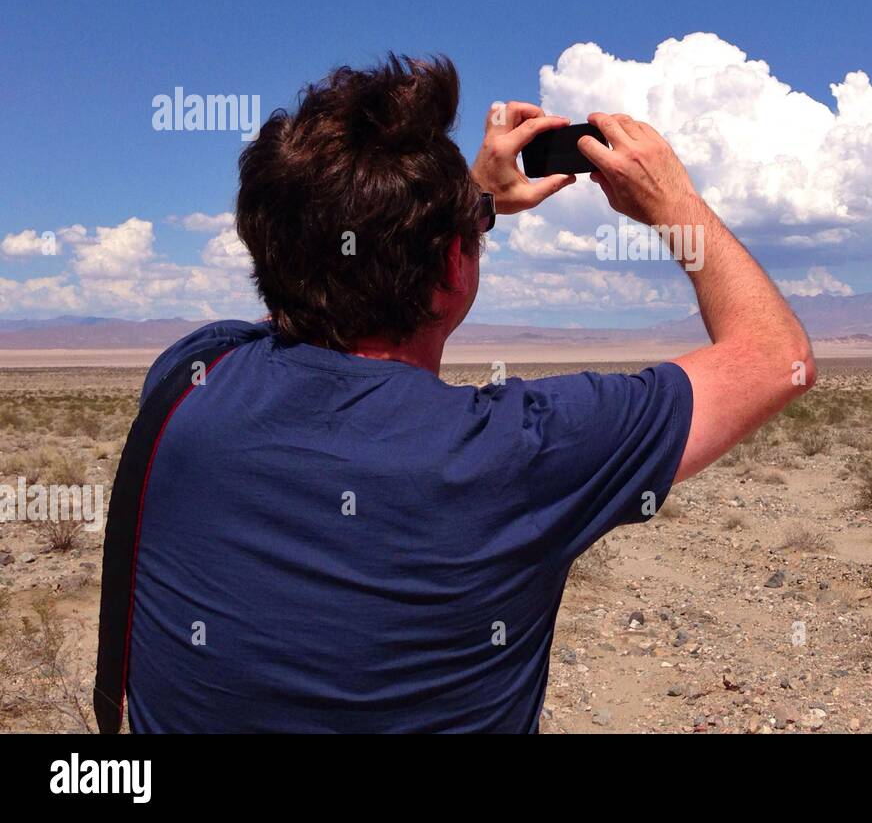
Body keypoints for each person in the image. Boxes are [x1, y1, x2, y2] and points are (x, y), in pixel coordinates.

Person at [123, 53, 815, 732]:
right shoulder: (515, 452)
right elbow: (777, 358)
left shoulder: (189, 376)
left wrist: (466, 207)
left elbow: (306, 285)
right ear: (455, 266)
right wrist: (676, 205)